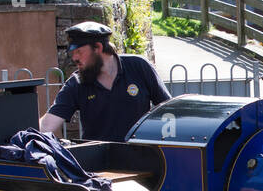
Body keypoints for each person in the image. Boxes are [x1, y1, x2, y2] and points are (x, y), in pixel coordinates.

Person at [39, 21, 171, 142]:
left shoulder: (139, 67)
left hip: (141, 157)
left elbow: (168, 108)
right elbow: (47, 124)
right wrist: (28, 137)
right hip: (98, 162)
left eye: (79, 52)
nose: (74, 58)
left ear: (98, 47)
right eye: (72, 53)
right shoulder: (76, 83)